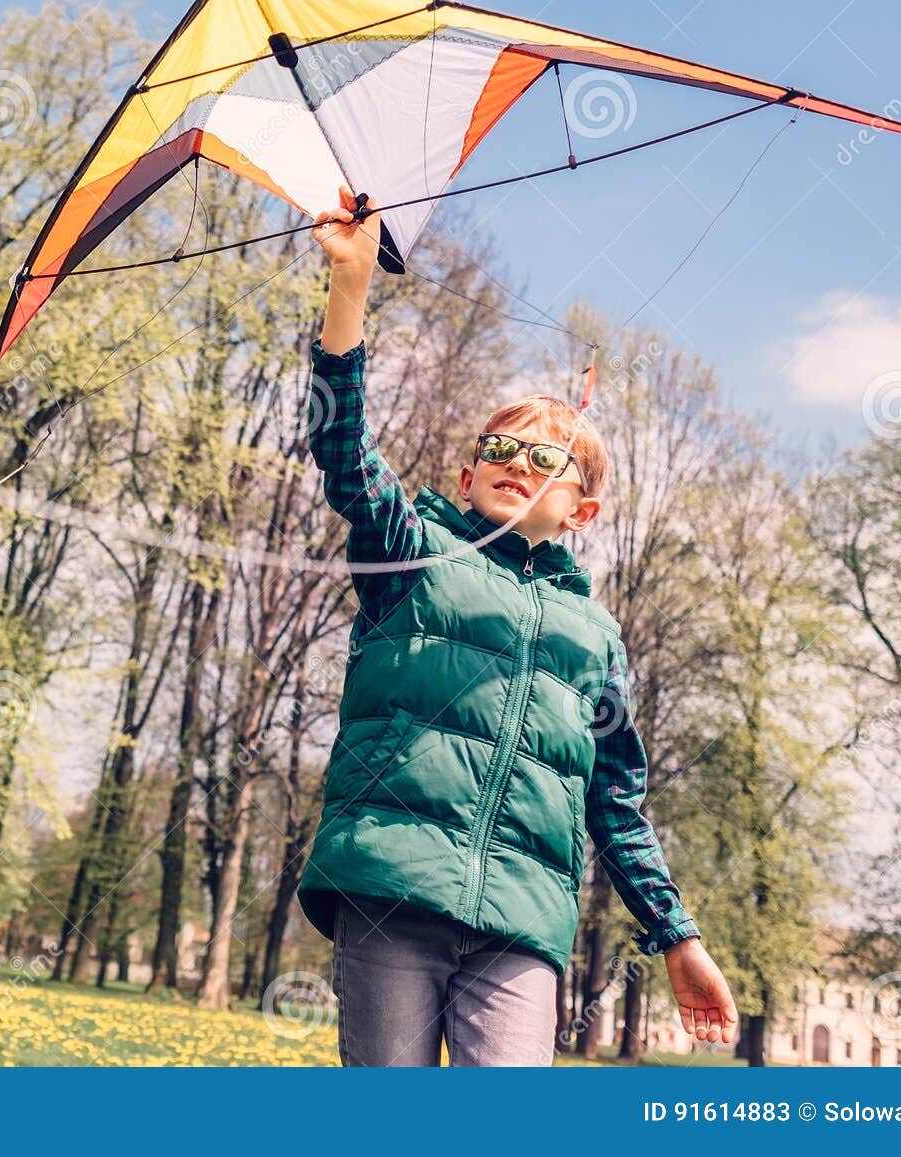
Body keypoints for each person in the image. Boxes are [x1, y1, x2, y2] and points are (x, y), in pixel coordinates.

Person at [296, 185, 737, 1067]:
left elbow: (614, 801)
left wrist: (677, 936)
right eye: (497, 449)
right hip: (392, 884)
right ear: (465, 479)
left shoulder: (597, 637)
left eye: (545, 457)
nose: (515, 463)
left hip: (524, 918)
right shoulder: (412, 550)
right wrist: (350, 286)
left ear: (583, 508)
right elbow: (344, 452)